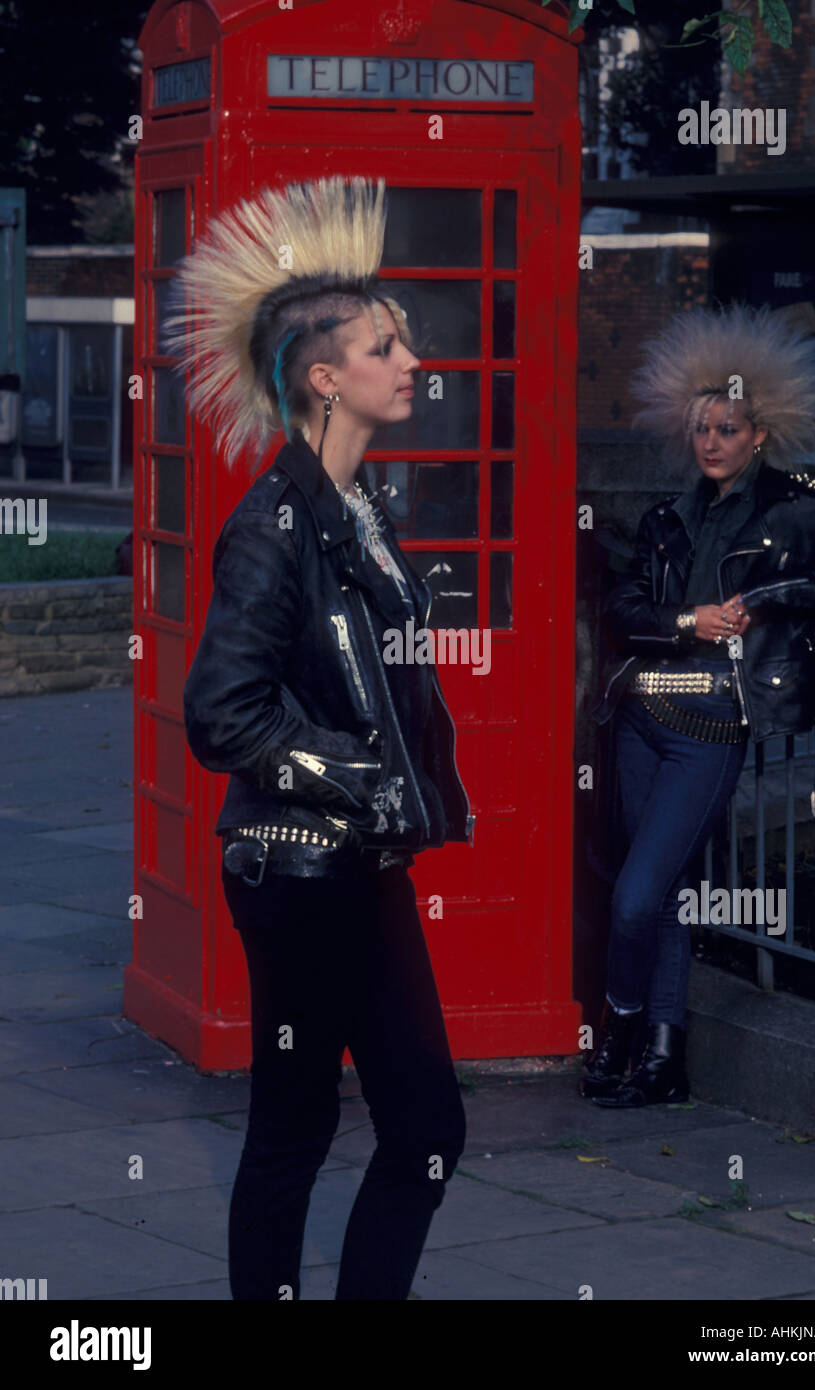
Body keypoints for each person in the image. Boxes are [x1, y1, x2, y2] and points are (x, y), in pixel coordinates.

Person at [166, 176, 475, 1299]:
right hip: (301, 870)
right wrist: (358, 777)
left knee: (424, 1128)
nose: (412, 361)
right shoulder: (272, 526)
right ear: (322, 377)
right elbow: (218, 710)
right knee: (304, 1129)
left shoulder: (361, 515)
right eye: (386, 346)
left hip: (356, 864)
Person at [581, 303, 815, 1109]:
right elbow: (626, 609)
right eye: (703, 428)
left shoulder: (796, 505)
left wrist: (765, 596)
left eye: (729, 429)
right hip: (643, 718)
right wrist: (687, 620)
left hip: (711, 729)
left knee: (637, 895)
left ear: (761, 434)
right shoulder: (670, 518)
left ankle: (622, 1025)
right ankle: (662, 1057)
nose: (712, 442)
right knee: (663, 891)